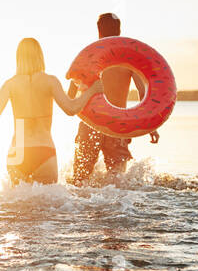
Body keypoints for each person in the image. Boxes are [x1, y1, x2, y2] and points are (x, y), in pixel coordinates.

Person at [0, 38, 104, 185]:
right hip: (44, 149)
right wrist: (92, 91)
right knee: (47, 205)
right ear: (39, 56)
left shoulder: (10, 84)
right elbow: (71, 109)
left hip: (17, 151)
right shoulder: (50, 81)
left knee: (16, 203)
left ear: (18, 58)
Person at [66, 12, 158, 184]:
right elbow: (141, 91)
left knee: (80, 181)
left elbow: (70, 97)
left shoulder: (87, 57)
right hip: (118, 125)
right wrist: (151, 126)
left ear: (98, 32)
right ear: (119, 31)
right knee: (118, 183)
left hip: (90, 124)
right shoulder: (128, 58)